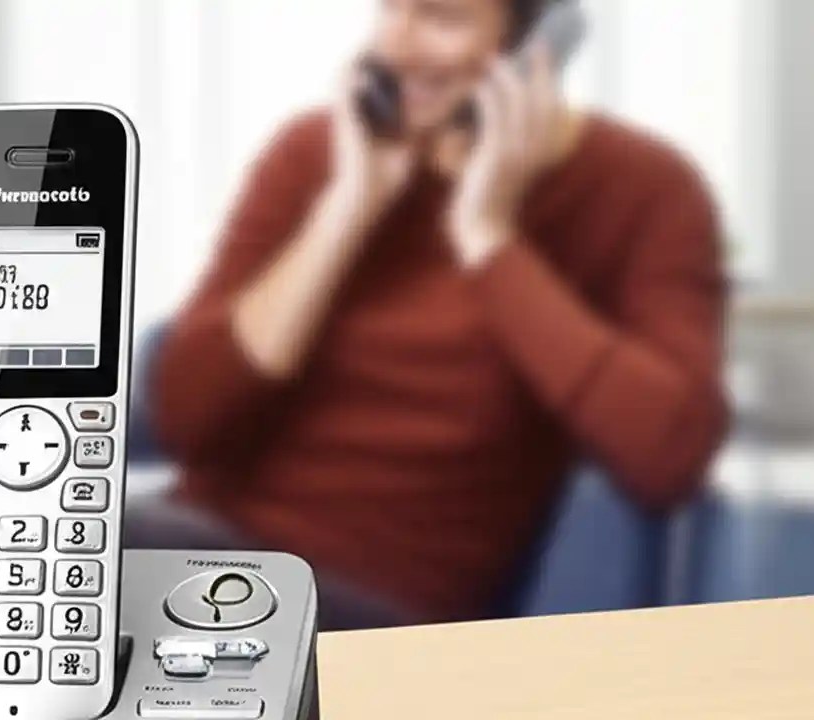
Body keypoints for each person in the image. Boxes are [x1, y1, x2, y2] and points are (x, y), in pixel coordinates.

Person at [128, 0, 727, 630]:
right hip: (200, 559)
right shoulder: (315, 153)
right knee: (50, 551)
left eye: (440, 19)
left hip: (384, 617)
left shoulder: (644, 191)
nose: (396, 48)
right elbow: (184, 421)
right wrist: (346, 210)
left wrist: (487, 236)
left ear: (536, 46)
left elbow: (671, 455)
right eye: (390, 11)